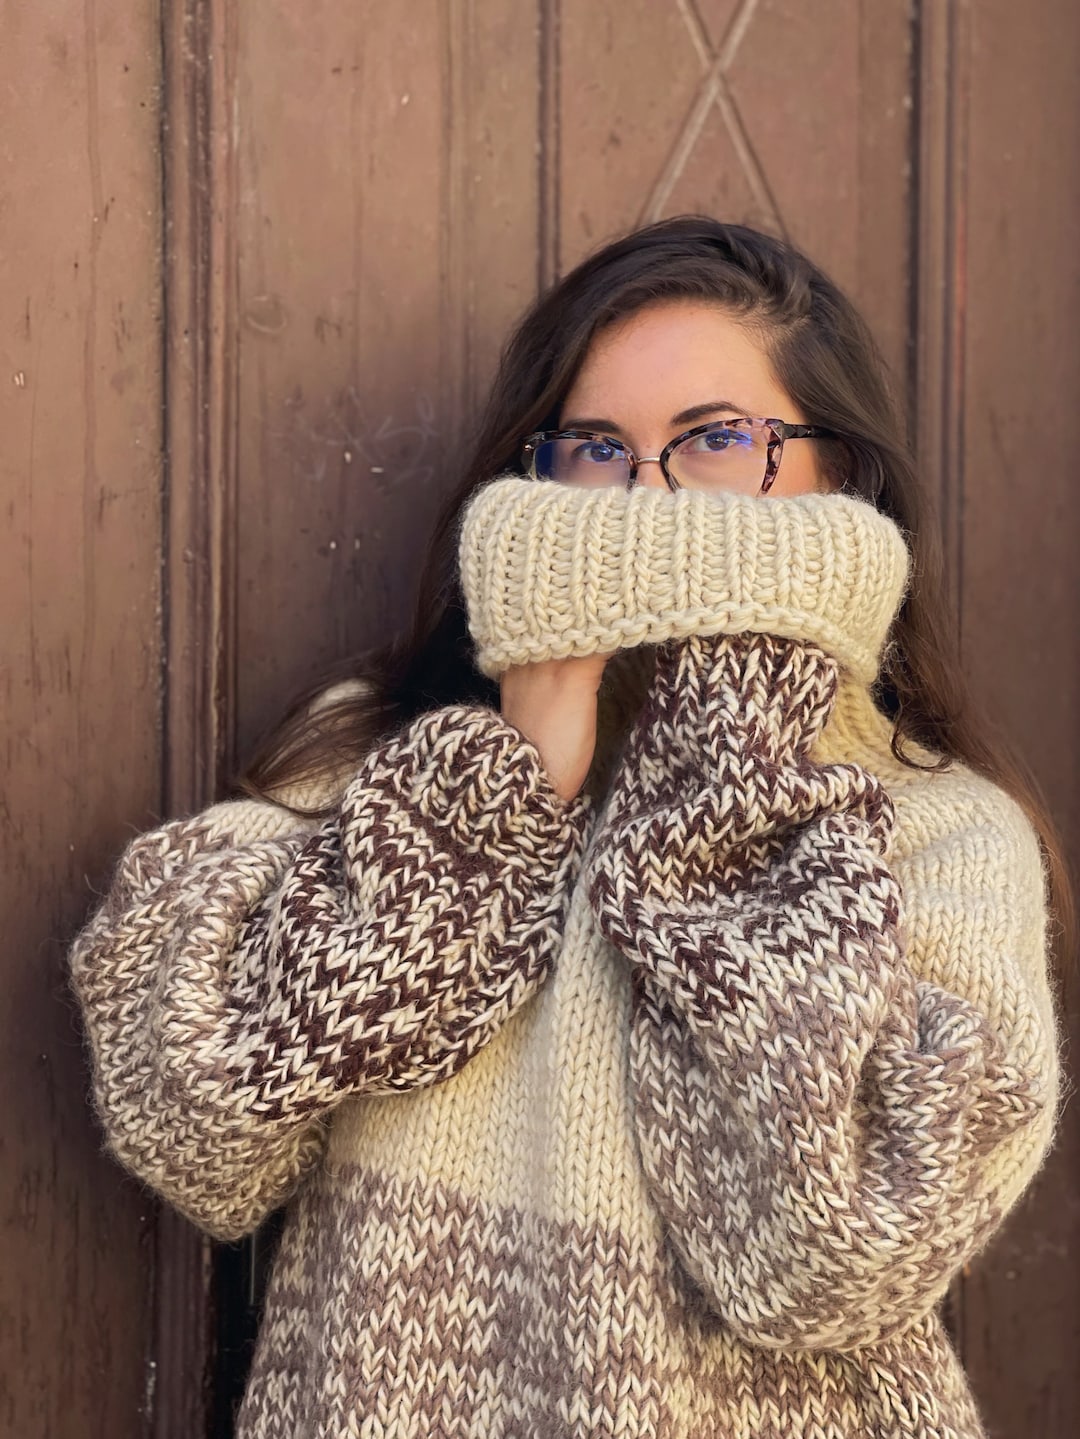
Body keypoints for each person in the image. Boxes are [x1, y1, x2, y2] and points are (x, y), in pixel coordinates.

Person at [70, 217, 1070, 1439]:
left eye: (713, 439)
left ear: (839, 476)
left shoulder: (938, 831)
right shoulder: (384, 760)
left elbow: (835, 1255)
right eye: (596, 448)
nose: (643, 495)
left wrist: (729, 767)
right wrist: (500, 800)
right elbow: (189, 1122)